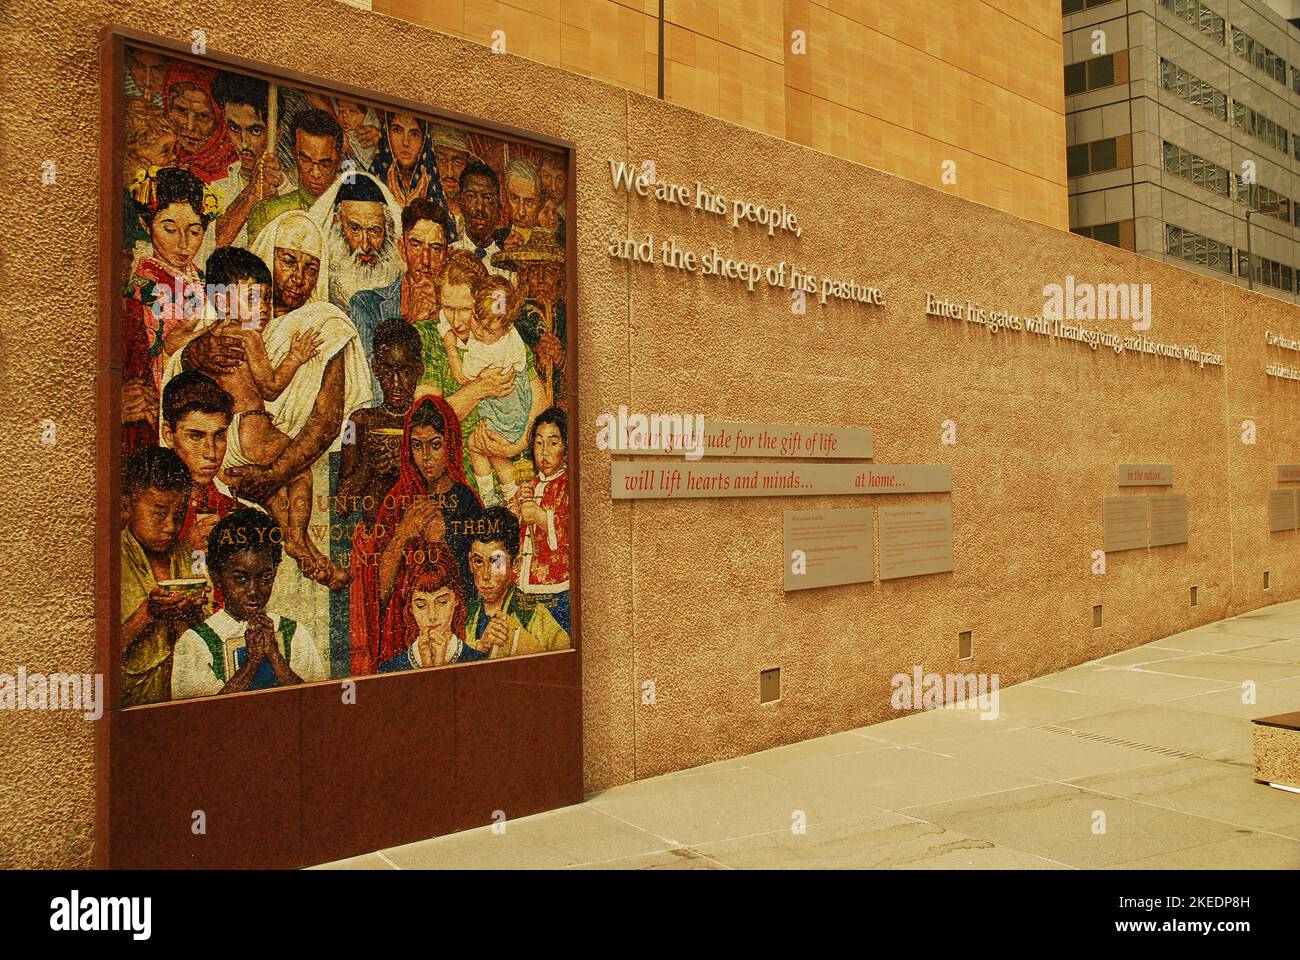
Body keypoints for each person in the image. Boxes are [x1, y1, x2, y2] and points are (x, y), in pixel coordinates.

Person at [349, 396, 482, 675]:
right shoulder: (398, 499)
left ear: (450, 444)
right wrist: (403, 534)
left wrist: (438, 543)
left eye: (435, 445)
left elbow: (472, 590)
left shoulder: (468, 503)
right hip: (400, 633)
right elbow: (378, 593)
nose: (426, 457)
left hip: (449, 630)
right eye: (417, 446)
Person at [171, 509, 328, 699]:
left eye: (265, 577)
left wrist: (275, 656)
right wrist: (252, 663)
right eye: (240, 578)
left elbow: (316, 703)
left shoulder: (294, 633)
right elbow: (201, 714)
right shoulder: (195, 643)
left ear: (274, 573)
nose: (253, 590)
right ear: (216, 576)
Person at [121, 167, 218, 461]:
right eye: (170, 229)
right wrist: (170, 350)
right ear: (146, 224)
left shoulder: (199, 277)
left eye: (194, 231)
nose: (184, 244)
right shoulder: (144, 288)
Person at [120, 446, 208, 706]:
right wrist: (149, 613)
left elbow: (205, 633)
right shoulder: (112, 559)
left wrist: (193, 611)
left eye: (179, 515)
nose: (171, 526)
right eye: (159, 514)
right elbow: (96, 655)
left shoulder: (189, 556)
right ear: (126, 507)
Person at [348, 198, 453, 395]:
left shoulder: (458, 311)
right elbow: (372, 387)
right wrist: (412, 324)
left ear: (447, 254)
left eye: (436, 248)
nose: (425, 260)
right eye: (416, 245)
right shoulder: (366, 305)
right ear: (402, 249)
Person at [449, 277, 532, 509]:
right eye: (476, 319)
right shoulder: (512, 336)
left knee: (478, 446)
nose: (478, 330)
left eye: (487, 329)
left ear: (504, 327)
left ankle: (491, 496)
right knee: (496, 453)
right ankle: (511, 496)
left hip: (503, 413)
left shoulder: (486, 353)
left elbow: (462, 377)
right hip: (519, 409)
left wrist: (451, 348)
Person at [337, 318, 425, 528]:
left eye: (406, 372)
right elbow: (342, 507)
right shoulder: (357, 422)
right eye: (387, 372)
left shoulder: (428, 421)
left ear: (419, 369)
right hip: (374, 538)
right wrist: (369, 465)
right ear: (375, 367)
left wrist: (408, 464)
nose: (396, 384)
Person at [462, 506, 570, 661]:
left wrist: (517, 640)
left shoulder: (533, 614)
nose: (485, 575)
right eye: (478, 561)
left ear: (516, 563)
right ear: (470, 562)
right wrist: (479, 647)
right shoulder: (464, 614)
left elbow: (564, 661)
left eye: (496, 562)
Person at [160, 370, 242, 558]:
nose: (211, 453)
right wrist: (185, 553)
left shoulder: (235, 511)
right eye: (196, 436)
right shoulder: (145, 512)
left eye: (219, 435)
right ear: (169, 435)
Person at [204, 71, 287, 256]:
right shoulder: (214, 191)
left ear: (277, 133)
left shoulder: (292, 194)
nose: (243, 143)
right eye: (234, 128)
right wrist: (251, 194)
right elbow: (207, 251)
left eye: (255, 131)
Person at [308, 171, 405, 313]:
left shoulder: (400, 278)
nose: (365, 246)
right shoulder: (318, 279)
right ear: (337, 223)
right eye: (355, 229)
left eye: (374, 231)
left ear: (388, 227)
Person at [245, 108, 344, 243]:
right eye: (306, 160)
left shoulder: (353, 214)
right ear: (294, 154)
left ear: (339, 161)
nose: (315, 173)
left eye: (325, 164)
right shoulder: (268, 212)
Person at [517, 408, 570, 632]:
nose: (544, 451)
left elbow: (571, 531)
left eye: (553, 443)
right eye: (539, 443)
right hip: (523, 586)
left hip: (556, 589)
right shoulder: (530, 484)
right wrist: (518, 504)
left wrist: (541, 517)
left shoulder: (568, 484)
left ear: (565, 447)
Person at [379, 542, 469, 671]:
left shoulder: (477, 659)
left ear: (456, 600)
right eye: (421, 606)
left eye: (442, 602)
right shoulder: (389, 669)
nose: (432, 616)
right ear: (411, 608)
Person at [163, 59, 237, 185]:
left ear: (221, 119)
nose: (190, 126)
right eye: (181, 110)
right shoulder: (158, 154)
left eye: (203, 116)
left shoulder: (237, 171)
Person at [451, 161, 515, 283]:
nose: (479, 207)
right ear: (460, 202)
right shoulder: (448, 255)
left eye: (487, 198)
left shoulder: (509, 265)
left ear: (499, 206)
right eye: (471, 197)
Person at [372, 110, 442, 207]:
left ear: (424, 140)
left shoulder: (433, 189)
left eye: (414, 134)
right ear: (386, 134)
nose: (405, 142)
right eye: (397, 131)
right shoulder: (371, 184)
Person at [429, 124, 471, 230]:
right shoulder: (420, 210)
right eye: (441, 160)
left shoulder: (474, 215)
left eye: (457, 163)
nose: (449, 173)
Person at [502, 156, 542, 248]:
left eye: (529, 202)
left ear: (539, 203)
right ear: (506, 198)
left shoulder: (549, 241)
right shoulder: (496, 239)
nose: (521, 212)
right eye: (514, 199)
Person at [335, 96, 382, 173]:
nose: (344, 116)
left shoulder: (372, 136)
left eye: (352, 111)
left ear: (365, 114)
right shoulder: (343, 138)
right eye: (341, 111)